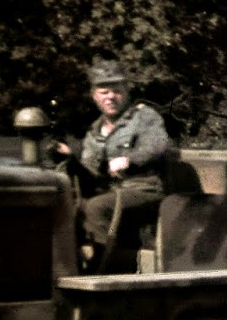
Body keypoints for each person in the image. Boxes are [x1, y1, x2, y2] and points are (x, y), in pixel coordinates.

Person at [56, 59, 170, 271]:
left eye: (116, 91)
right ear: (94, 96)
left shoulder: (144, 117)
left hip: (145, 190)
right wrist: (71, 159)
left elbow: (158, 145)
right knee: (69, 206)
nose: (110, 97)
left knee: (97, 207)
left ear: (125, 91)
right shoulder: (95, 129)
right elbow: (92, 171)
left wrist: (130, 159)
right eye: (104, 92)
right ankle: (71, 266)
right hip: (112, 192)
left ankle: (105, 268)